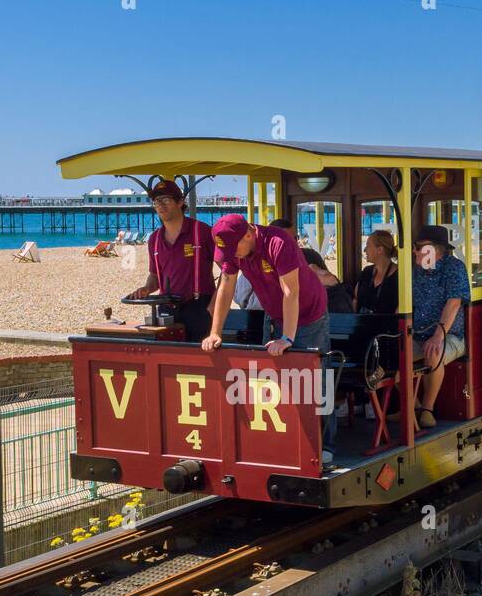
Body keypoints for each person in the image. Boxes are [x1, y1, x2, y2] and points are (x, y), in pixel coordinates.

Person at [203, 213, 338, 465]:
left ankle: (325, 444)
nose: (234, 255)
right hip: (273, 313)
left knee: (317, 381)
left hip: (309, 314)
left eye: (236, 249)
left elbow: (291, 291)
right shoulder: (234, 250)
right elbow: (226, 286)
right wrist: (215, 333)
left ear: (249, 234)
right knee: (271, 378)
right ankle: (282, 440)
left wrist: (287, 337)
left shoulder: (278, 242)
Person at [130, 179, 216, 339]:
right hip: (165, 309)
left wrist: (215, 303)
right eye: (156, 201)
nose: (161, 205)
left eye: (166, 200)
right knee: (167, 357)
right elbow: (155, 276)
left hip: (199, 308)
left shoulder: (202, 231)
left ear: (180, 202)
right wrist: (146, 289)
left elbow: (227, 270)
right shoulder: (154, 239)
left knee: (199, 359)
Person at [409, 225, 469, 429]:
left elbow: (454, 303)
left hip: (451, 335)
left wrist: (438, 336)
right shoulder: (416, 271)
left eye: (419, 247)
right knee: (391, 356)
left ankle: (427, 410)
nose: (414, 251)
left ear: (436, 249)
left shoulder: (454, 268)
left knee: (433, 352)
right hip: (418, 334)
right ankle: (412, 408)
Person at [352, 229, 399, 314]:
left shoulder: (399, 277)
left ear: (380, 250)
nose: (365, 250)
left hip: (386, 326)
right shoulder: (366, 272)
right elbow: (355, 299)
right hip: (362, 325)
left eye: (368, 245)